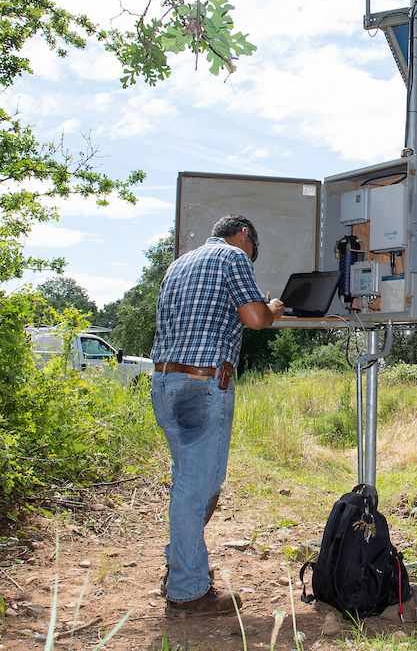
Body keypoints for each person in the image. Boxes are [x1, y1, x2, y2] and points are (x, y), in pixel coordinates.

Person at [150, 215, 285, 617]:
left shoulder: (179, 264)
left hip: (164, 383)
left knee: (186, 483)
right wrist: (272, 309)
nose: (251, 257)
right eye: (253, 250)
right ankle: (187, 592)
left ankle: (180, 569)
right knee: (198, 488)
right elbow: (255, 319)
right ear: (244, 235)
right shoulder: (232, 257)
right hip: (202, 383)